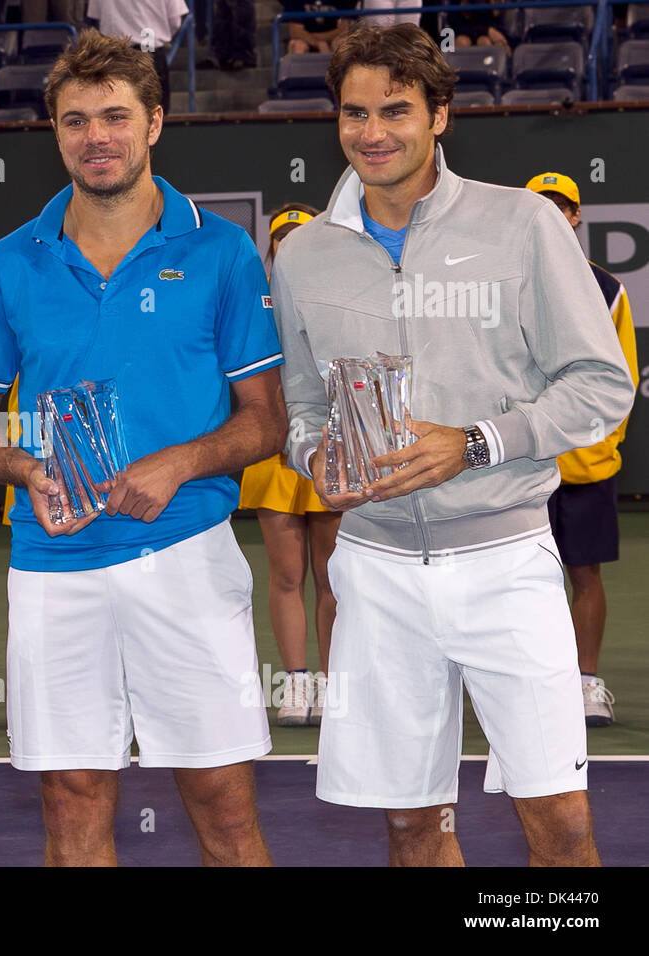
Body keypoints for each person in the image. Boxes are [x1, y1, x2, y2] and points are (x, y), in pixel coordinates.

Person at [272, 24, 634, 866]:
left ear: (441, 115)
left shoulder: (524, 224)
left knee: (561, 823)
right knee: (408, 823)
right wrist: (313, 454)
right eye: (354, 113)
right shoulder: (304, 258)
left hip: (506, 562)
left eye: (396, 110)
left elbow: (601, 386)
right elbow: (300, 403)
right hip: (373, 571)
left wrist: (475, 442)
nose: (372, 132)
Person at [0, 30, 286, 867]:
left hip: (187, 560)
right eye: (75, 121)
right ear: (55, 132)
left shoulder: (222, 251)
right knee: (70, 798)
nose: (95, 136)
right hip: (52, 564)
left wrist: (178, 463)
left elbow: (265, 422)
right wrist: (27, 469)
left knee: (224, 805)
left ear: (155, 123)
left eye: (115, 116)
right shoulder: (8, 263)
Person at [525, 170, 638, 728]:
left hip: (585, 469)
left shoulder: (609, 289)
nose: (552, 213)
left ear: (575, 216)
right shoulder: (506, 280)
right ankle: (534, 684)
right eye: (539, 205)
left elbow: (622, 378)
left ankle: (586, 682)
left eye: (561, 205)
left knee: (583, 575)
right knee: (522, 580)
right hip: (524, 465)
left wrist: (596, 445)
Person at [239, 202, 339, 727]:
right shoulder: (252, 309)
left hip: (329, 453)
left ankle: (332, 682)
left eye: (301, 237)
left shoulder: (336, 302)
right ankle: (296, 683)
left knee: (331, 576)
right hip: (272, 458)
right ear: (272, 250)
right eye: (282, 240)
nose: (290, 246)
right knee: (286, 574)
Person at [84, 0, 187, 112]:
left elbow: (95, 16)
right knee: (155, 116)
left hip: (114, 54)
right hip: (148, 50)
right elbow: (175, 21)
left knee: (114, 114)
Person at [282, 0, 357, 54]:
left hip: (333, 38)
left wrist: (321, 41)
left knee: (343, 43)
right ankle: (298, 76)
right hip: (306, 40)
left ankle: (339, 75)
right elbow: (295, 31)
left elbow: (343, 30)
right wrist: (318, 43)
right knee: (298, 46)